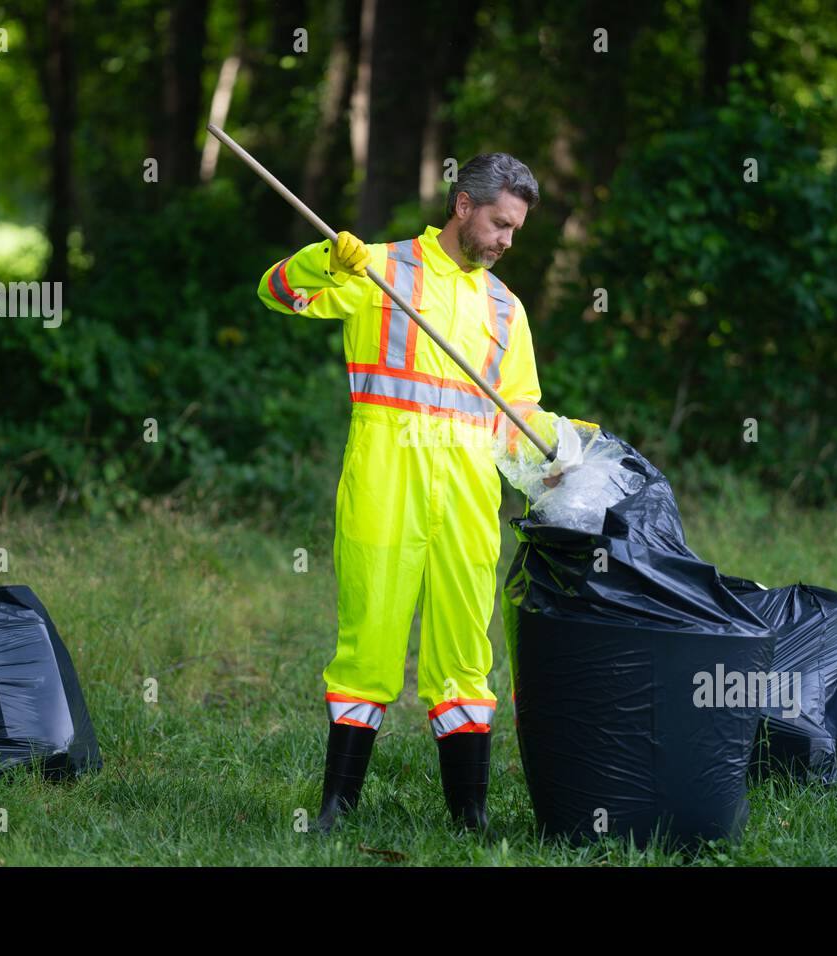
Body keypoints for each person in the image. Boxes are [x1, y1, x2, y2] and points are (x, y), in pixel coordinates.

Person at [256, 152, 593, 833]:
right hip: (385, 484)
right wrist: (328, 261)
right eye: (499, 223)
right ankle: (333, 811)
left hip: (469, 498)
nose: (505, 241)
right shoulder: (379, 269)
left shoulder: (506, 308)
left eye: (515, 231)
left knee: (467, 655)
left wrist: (565, 442)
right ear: (463, 206)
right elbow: (276, 291)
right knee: (368, 642)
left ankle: (469, 818)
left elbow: (517, 411)